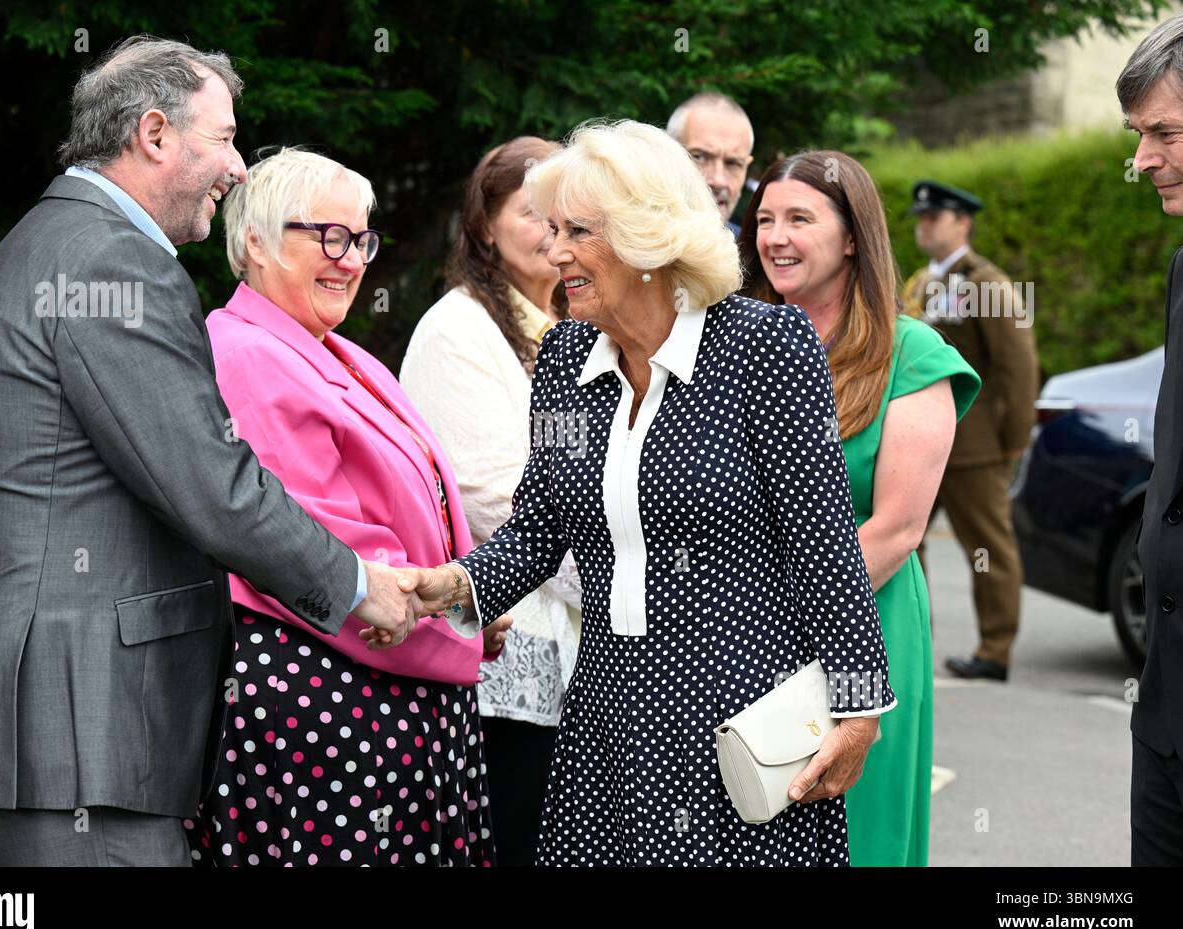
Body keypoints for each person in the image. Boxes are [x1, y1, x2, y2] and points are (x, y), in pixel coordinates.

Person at [0, 37, 421, 867]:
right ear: (154, 135)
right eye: (224, 140)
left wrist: (9, 652)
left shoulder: (20, 253)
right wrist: (359, 586)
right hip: (87, 742)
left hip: (40, 731)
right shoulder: (115, 262)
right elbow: (209, 485)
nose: (236, 169)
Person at [380, 119, 897, 867]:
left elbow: (822, 545)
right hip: (604, 721)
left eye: (578, 232)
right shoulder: (563, 359)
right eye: (552, 230)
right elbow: (537, 529)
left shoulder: (764, 349)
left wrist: (857, 712)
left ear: (648, 236)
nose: (556, 252)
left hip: (737, 715)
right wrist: (451, 588)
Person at [186, 147, 511, 867]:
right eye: (327, 237)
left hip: (394, 689)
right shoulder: (243, 352)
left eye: (361, 239)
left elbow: (419, 499)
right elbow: (314, 538)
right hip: (330, 704)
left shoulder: (337, 350)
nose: (351, 259)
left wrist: (464, 598)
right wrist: (452, 616)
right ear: (254, 242)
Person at [740, 151, 980, 867]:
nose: (776, 237)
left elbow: (897, 529)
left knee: (856, 837)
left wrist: (765, 618)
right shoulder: (736, 346)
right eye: (765, 220)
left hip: (861, 630)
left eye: (799, 220)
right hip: (739, 633)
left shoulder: (912, 356)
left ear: (852, 239)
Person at [400, 136, 583, 866]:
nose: (552, 233)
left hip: (576, 648)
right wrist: (618, 573)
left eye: (565, 216)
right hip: (511, 660)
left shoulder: (572, 331)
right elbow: (494, 502)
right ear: (483, 226)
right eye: (532, 213)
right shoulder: (457, 331)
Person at [902, 180, 1038, 681]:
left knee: (986, 548)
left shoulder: (986, 283)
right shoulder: (917, 283)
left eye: (935, 217)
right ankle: (912, 641)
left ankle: (995, 650)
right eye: (921, 217)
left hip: (972, 445)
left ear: (963, 222)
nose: (924, 225)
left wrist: (1013, 439)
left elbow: (1017, 367)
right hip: (914, 441)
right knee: (905, 542)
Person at [1120, 13, 1183, 866]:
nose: (1142, 160)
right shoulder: (1181, 270)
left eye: (1164, 132)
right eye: (1138, 138)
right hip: (1164, 711)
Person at [666, 92, 755, 235]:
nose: (718, 180)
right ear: (666, 155)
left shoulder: (752, 254)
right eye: (699, 157)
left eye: (732, 163)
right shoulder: (627, 249)